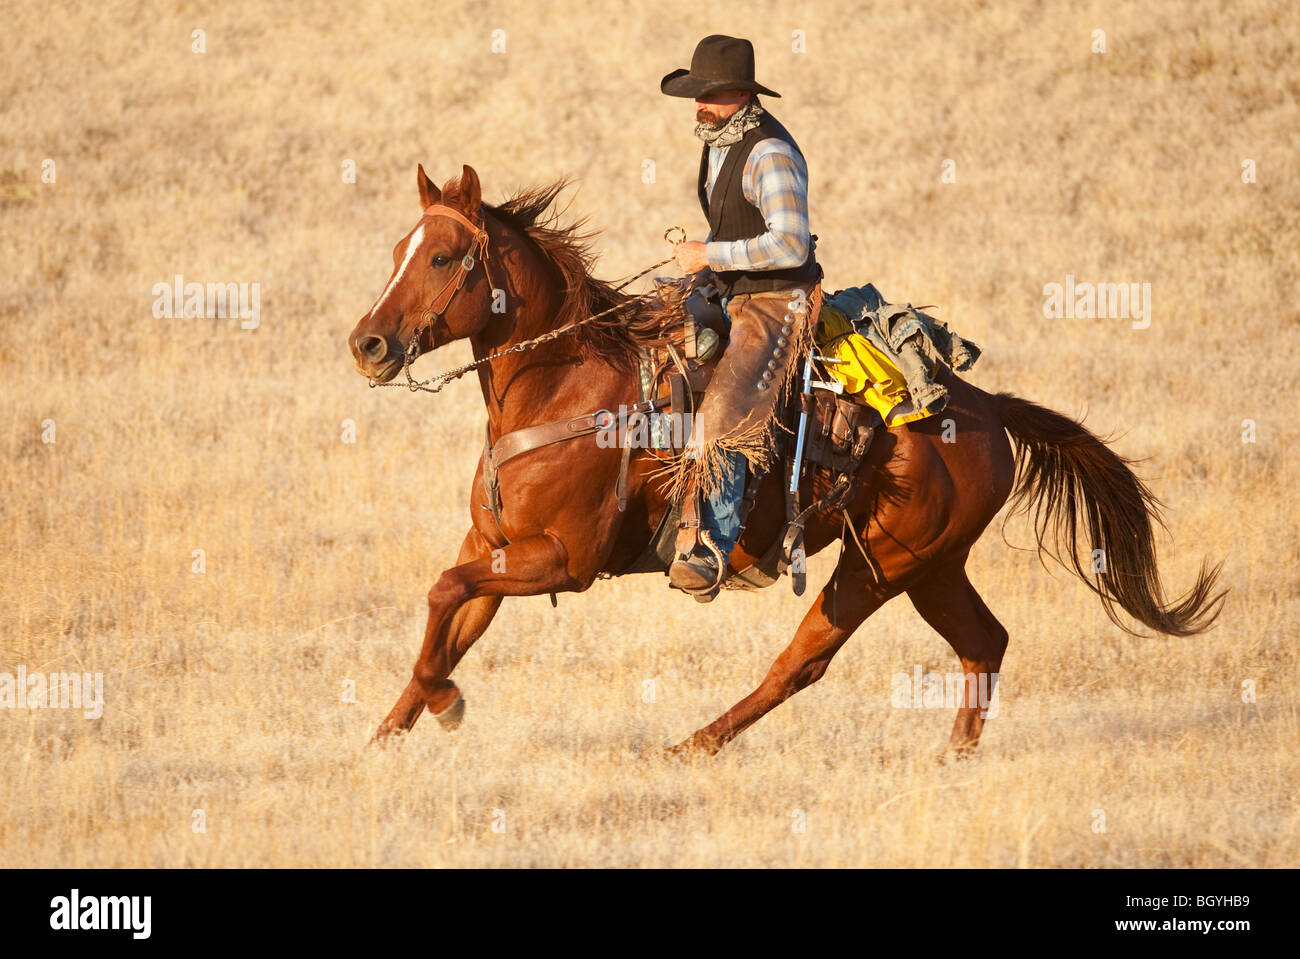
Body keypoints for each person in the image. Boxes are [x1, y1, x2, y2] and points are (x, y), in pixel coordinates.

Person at [660, 34, 822, 601]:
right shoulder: (720, 141)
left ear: (742, 95)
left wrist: (711, 256)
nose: (698, 106)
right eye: (695, 96)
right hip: (732, 288)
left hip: (779, 301)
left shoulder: (769, 152)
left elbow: (791, 245)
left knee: (726, 409)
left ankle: (711, 546)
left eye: (708, 96)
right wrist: (703, 264)